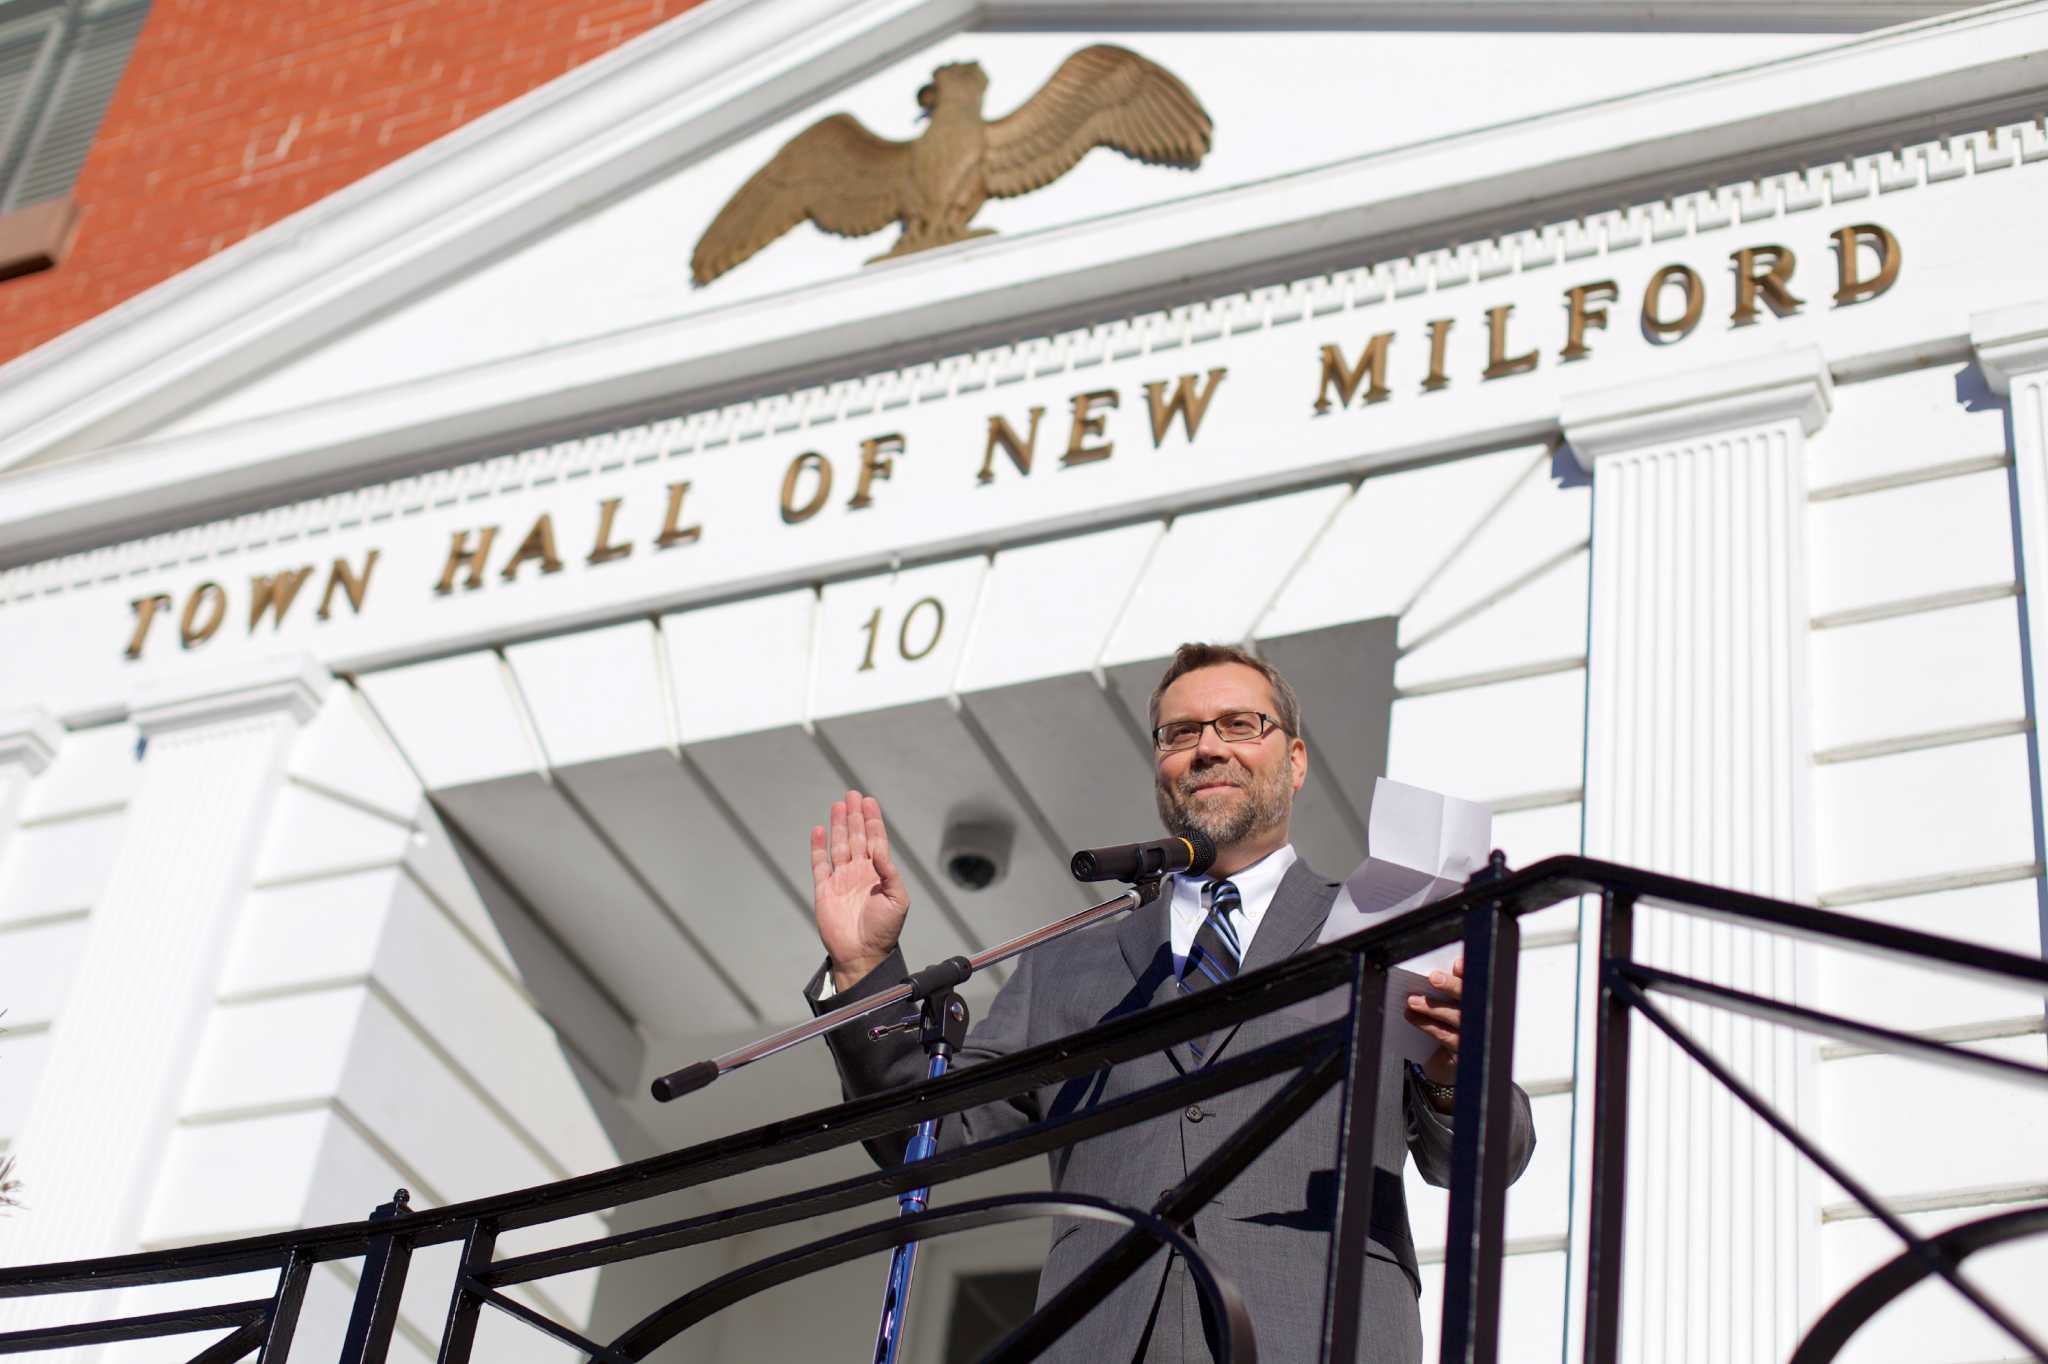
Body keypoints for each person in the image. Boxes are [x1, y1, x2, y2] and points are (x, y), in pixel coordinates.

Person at [803, 642, 1536, 1362]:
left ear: (1297, 761)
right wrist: (865, 968)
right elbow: (926, 1136)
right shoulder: (1068, 961)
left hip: (1319, 1329)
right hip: (1105, 1336)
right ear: (1161, 767)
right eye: (1181, 733)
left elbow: (1484, 1161)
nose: (1208, 748)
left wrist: (1451, 1071)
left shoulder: (1387, 928)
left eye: (1241, 725)